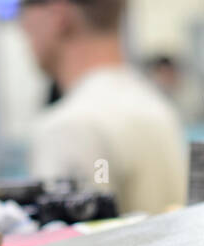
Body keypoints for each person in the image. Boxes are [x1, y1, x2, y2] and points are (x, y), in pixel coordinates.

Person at [19, 0, 187, 214]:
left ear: (57, 16)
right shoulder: (157, 107)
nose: (23, 32)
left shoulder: (69, 126)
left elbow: (69, 243)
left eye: (24, 17)